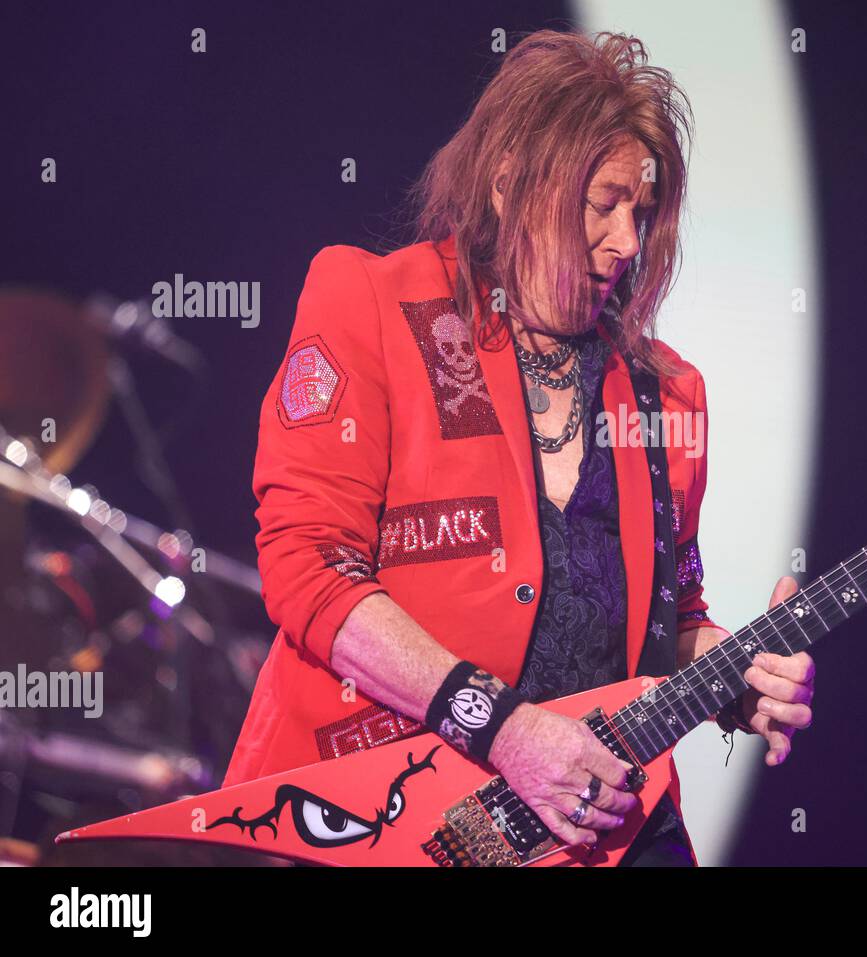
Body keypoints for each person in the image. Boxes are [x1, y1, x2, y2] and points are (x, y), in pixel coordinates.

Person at [226, 29, 815, 866]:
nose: (626, 243)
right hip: (381, 817)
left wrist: (735, 671)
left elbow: (668, 618)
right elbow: (309, 567)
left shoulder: (669, 392)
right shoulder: (371, 303)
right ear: (509, 181)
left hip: (601, 824)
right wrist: (502, 728)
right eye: (602, 202)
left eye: (641, 213)